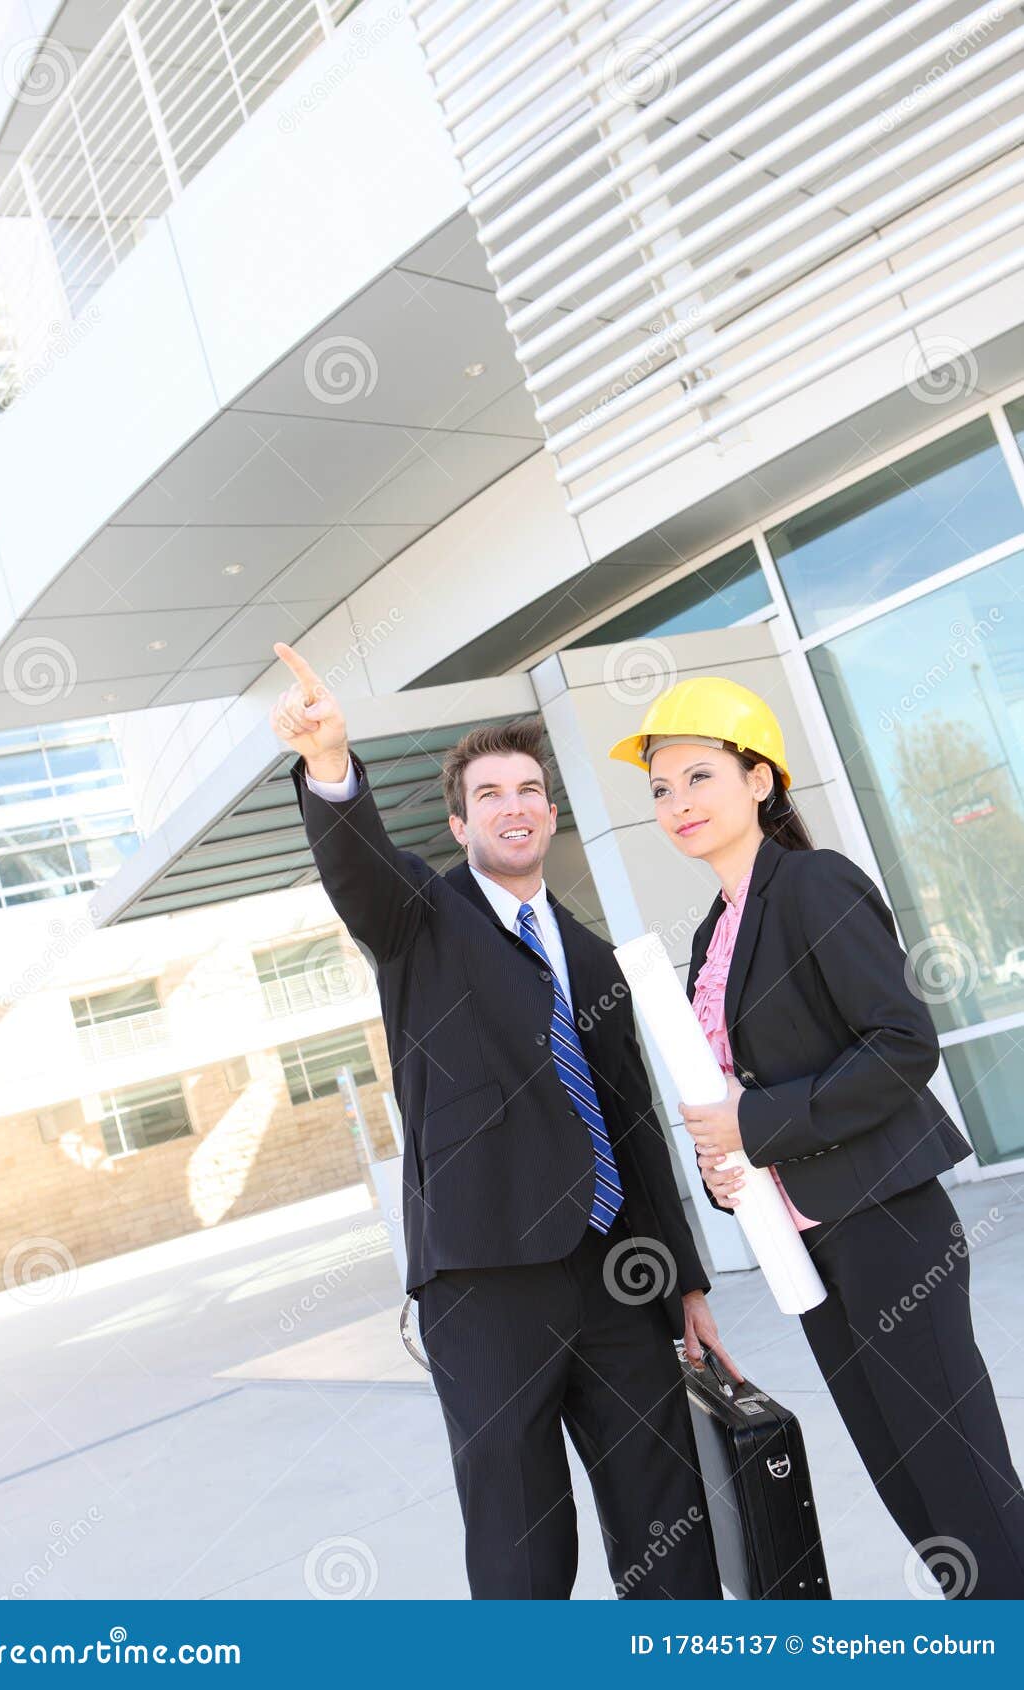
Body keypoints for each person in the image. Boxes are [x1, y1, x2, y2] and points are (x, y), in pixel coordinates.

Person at [270, 642, 735, 1601]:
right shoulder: (417, 921)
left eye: (529, 789)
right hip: (483, 1284)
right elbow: (355, 866)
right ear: (459, 820)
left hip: (617, 1272)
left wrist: (683, 1277)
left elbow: (633, 1125)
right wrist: (328, 763)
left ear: (551, 813)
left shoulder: (597, 958)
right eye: (490, 794)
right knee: (520, 1543)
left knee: (666, 1523)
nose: (515, 805)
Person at [609, 675, 1024, 1599]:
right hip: (804, 1237)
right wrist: (731, 1162)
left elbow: (899, 1043)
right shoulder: (715, 930)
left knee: (954, 1468)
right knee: (898, 1473)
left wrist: (754, 1123)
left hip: (883, 1223)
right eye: (660, 790)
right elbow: (737, 1082)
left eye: (699, 777)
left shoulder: (813, 884)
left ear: (760, 781)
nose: (677, 803)